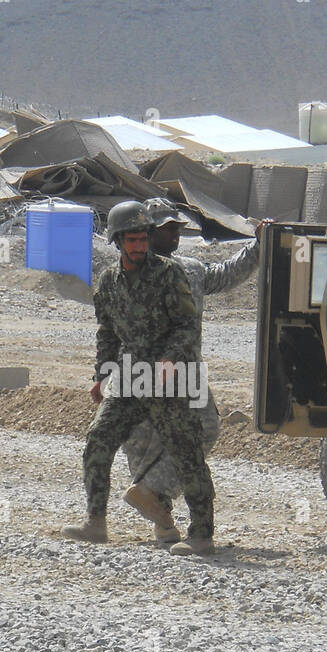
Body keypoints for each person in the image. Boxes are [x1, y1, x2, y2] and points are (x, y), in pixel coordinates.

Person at [61, 200, 217, 556]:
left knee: (185, 451)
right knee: (98, 440)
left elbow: (187, 327)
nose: (139, 245)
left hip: (169, 377)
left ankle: (202, 534)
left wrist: (168, 360)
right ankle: (95, 522)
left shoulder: (169, 274)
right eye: (131, 240)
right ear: (117, 242)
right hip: (130, 377)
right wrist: (102, 375)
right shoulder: (109, 281)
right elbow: (107, 333)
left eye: (143, 238)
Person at [119, 198, 261, 543]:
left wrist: (259, 246)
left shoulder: (191, 269)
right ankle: (162, 518)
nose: (174, 236)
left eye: (176, 229)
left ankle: (152, 495)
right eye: (166, 229)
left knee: (204, 429)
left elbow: (226, 275)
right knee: (146, 445)